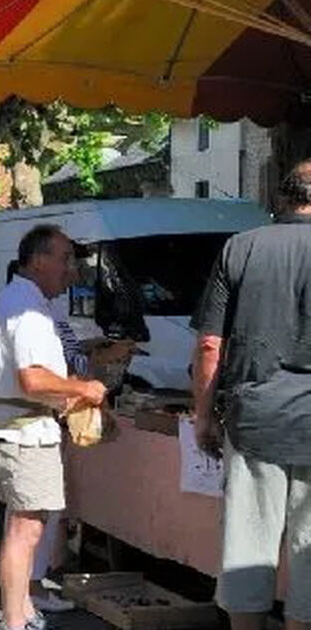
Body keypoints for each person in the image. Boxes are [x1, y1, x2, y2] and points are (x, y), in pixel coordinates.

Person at [191, 160, 311, 630]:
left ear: (282, 197)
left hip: (255, 419)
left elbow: (209, 345)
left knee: (247, 548)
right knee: (309, 551)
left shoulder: (241, 247)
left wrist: (203, 417)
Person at [0, 225, 105, 630]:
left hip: (19, 428)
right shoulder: (27, 308)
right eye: (65, 259)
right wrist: (83, 388)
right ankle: (14, 621)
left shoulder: (25, 301)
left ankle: (22, 610)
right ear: (37, 261)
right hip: (24, 432)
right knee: (26, 530)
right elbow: (33, 379)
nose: (72, 269)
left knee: (24, 526)